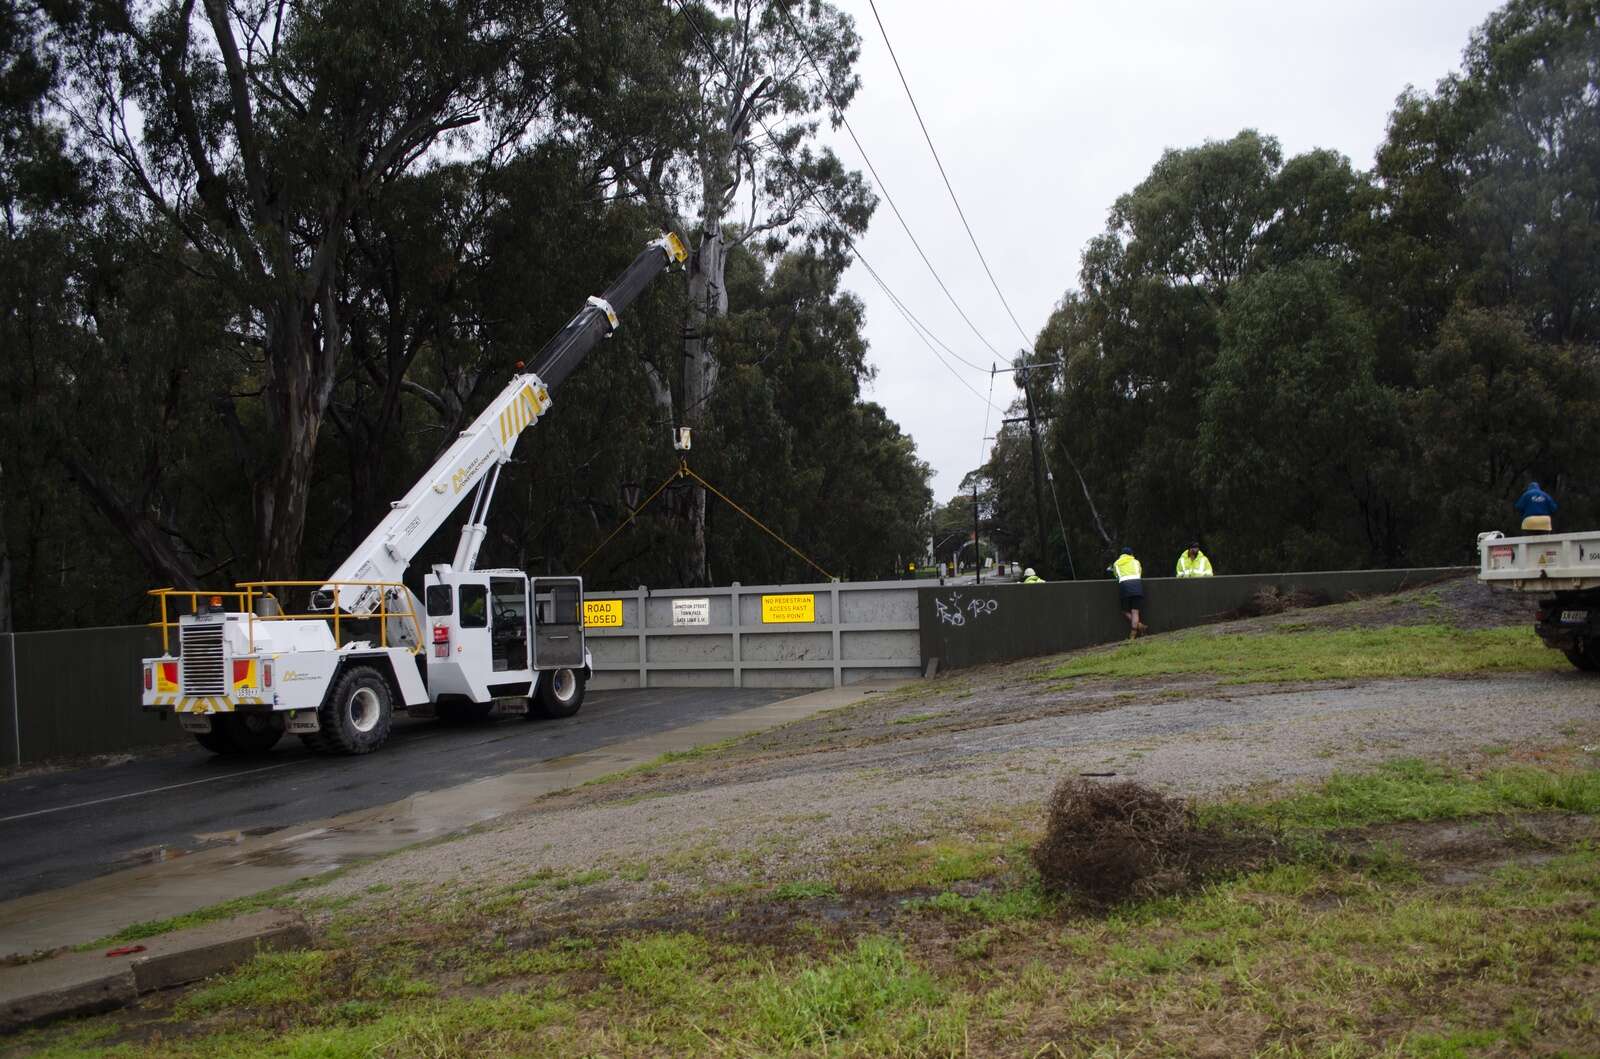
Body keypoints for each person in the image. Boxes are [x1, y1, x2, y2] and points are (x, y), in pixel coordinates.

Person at [1107, 547, 1147, 638]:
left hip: (1125, 587)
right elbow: (1139, 573)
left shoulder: (1116, 563)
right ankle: (1134, 634)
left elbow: (1116, 575)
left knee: (1125, 610)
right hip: (1137, 586)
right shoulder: (1136, 562)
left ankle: (1139, 626)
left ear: (1122, 555)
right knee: (1135, 611)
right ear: (1131, 554)